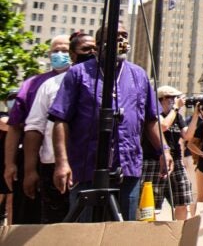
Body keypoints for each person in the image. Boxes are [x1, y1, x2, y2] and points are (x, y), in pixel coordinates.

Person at [50, 24, 168, 221]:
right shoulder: (78, 73)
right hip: (88, 167)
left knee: (123, 230)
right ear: (98, 45)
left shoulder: (138, 74)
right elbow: (60, 119)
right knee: (85, 230)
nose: (121, 40)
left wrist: (163, 150)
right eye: (115, 35)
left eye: (124, 35)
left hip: (128, 168)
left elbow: (150, 120)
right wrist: (62, 163)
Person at [22, 31, 96, 223]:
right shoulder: (50, 85)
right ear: (73, 54)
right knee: (54, 227)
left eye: (95, 49)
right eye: (86, 49)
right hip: (54, 167)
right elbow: (34, 128)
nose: (92, 53)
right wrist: (30, 170)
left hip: (89, 168)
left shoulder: (104, 85)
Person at [3, 35, 71, 224]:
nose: (59, 54)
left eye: (65, 50)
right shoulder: (34, 84)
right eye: (55, 51)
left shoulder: (83, 80)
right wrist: (11, 165)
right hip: (41, 162)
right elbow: (16, 126)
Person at [138, 86, 195, 219]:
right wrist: (176, 107)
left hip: (176, 161)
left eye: (176, 98)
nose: (175, 100)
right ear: (162, 99)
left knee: (183, 200)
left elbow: (187, 135)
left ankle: (180, 229)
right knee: (151, 203)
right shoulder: (154, 114)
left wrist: (196, 115)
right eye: (172, 97)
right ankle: (147, 229)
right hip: (154, 161)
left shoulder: (177, 116)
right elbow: (163, 126)